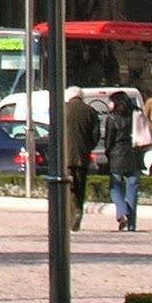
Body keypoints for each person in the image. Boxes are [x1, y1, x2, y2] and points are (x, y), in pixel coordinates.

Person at [62, 86, 99, 232]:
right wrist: (88, 147)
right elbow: (95, 135)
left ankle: (70, 216)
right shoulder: (90, 111)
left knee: (67, 187)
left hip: (64, 155)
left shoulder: (62, 110)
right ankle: (78, 211)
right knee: (80, 186)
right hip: (82, 155)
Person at [104, 89, 141, 231]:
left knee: (115, 187)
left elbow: (109, 140)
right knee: (132, 188)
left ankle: (123, 211)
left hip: (117, 154)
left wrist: (108, 153)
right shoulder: (135, 114)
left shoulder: (112, 118)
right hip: (134, 153)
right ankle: (131, 224)